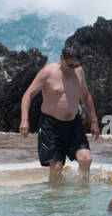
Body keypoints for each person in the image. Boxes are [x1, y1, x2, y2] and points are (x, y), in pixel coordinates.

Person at [19, 45, 99, 180]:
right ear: (62, 58)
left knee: (86, 159)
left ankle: (82, 195)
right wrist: (24, 119)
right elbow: (28, 95)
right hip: (51, 126)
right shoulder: (47, 73)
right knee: (56, 168)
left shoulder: (78, 72)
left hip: (74, 124)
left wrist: (94, 121)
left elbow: (86, 96)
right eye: (70, 65)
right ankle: (55, 199)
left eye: (76, 65)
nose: (73, 69)